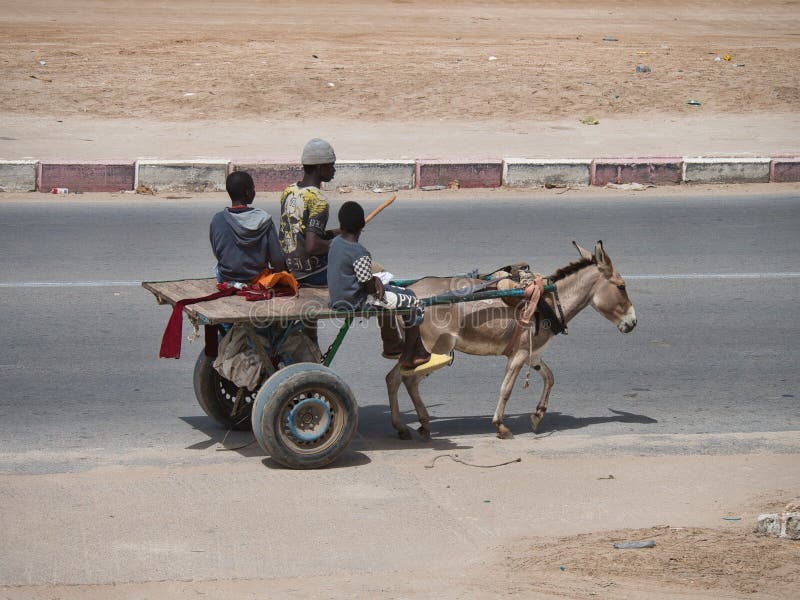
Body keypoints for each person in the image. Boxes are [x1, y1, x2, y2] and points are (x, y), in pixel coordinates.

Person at [328, 201, 432, 370]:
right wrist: (375, 281)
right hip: (356, 301)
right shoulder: (359, 252)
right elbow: (369, 288)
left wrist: (374, 279)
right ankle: (410, 355)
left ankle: (405, 347)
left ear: (341, 224)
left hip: (337, 298)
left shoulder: (335, 243)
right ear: (362, 226)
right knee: (414, 301)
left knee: (400, 294)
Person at [210, 170, 289, 287]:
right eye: (253, 188)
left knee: (216, 268)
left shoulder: (217, 219)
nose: (254, 191)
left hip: (226, 277)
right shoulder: (264, 219)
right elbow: (277, 260)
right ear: (247, 193)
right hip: (257, 278)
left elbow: (218, 252)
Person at [278, 138, 338, 287]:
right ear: (319, 167)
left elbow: (300, 233)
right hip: (312, 273)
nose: (334, 170)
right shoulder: (318, 199)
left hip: (290, 269)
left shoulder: (289, 191)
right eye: (331, 166)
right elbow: (312, 246)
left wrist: (339, 232)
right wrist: (340, 243)